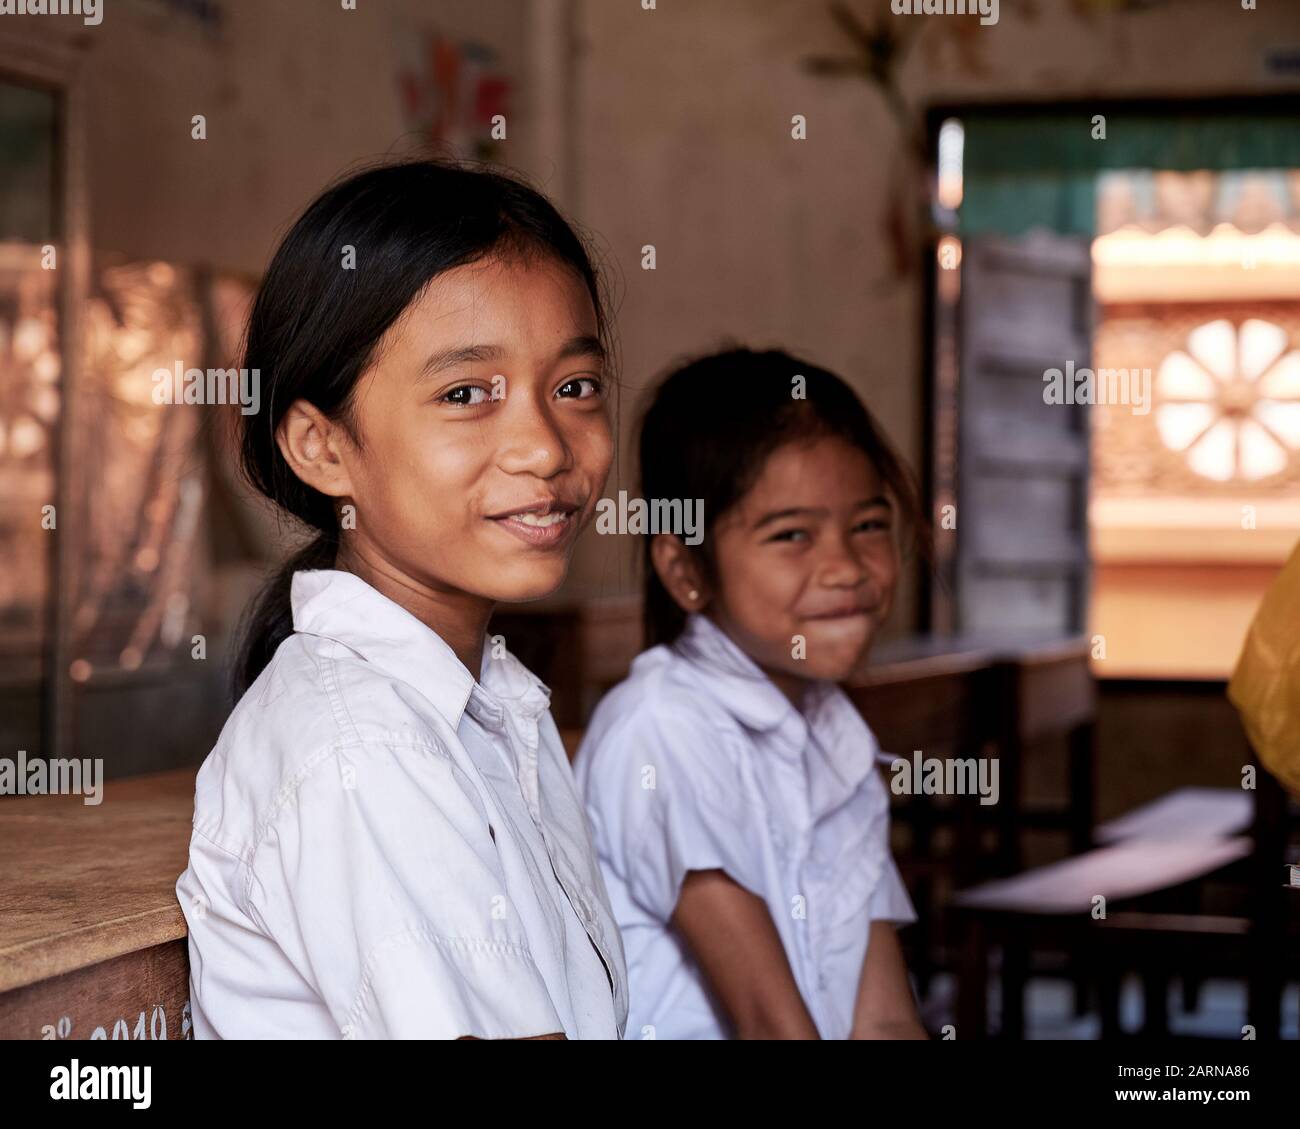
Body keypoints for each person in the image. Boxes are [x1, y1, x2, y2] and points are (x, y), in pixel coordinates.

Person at [176, 159, 626, 1039]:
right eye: (466, 394)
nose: (543, 445)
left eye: (574, 387)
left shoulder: (492, 703)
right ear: (322, 445)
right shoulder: (365, 747)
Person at [575, 348, 927, 1039]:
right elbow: (770, 1022)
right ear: (684, 569)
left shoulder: (836, 738)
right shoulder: (665, 728)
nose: (846, 567)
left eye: (868, 525)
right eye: (792, 534)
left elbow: (884, 1018)